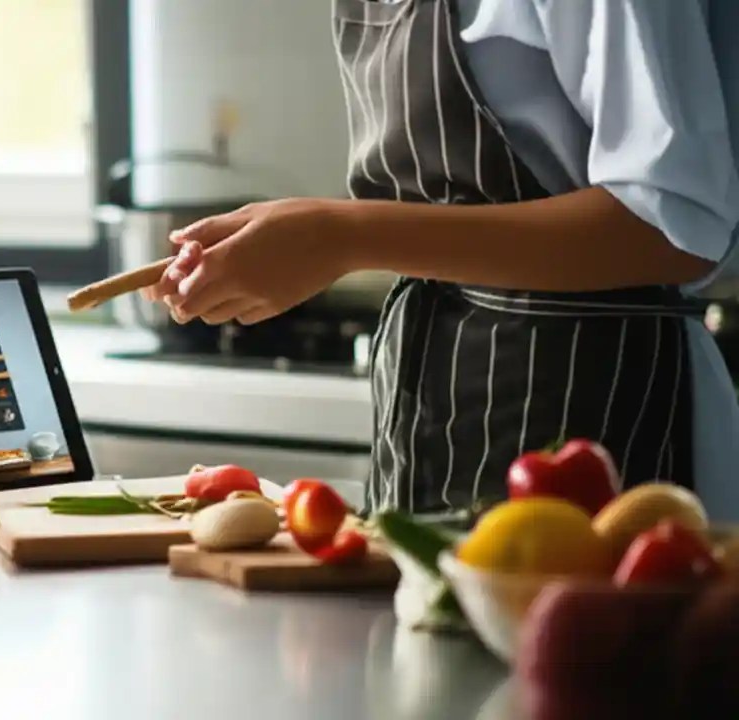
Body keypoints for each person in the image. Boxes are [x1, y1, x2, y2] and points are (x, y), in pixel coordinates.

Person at [142, 0, 739, 521]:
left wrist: (340, 237)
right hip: (424, 398)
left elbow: (668, 227)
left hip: (601, 408)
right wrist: (315, 238)